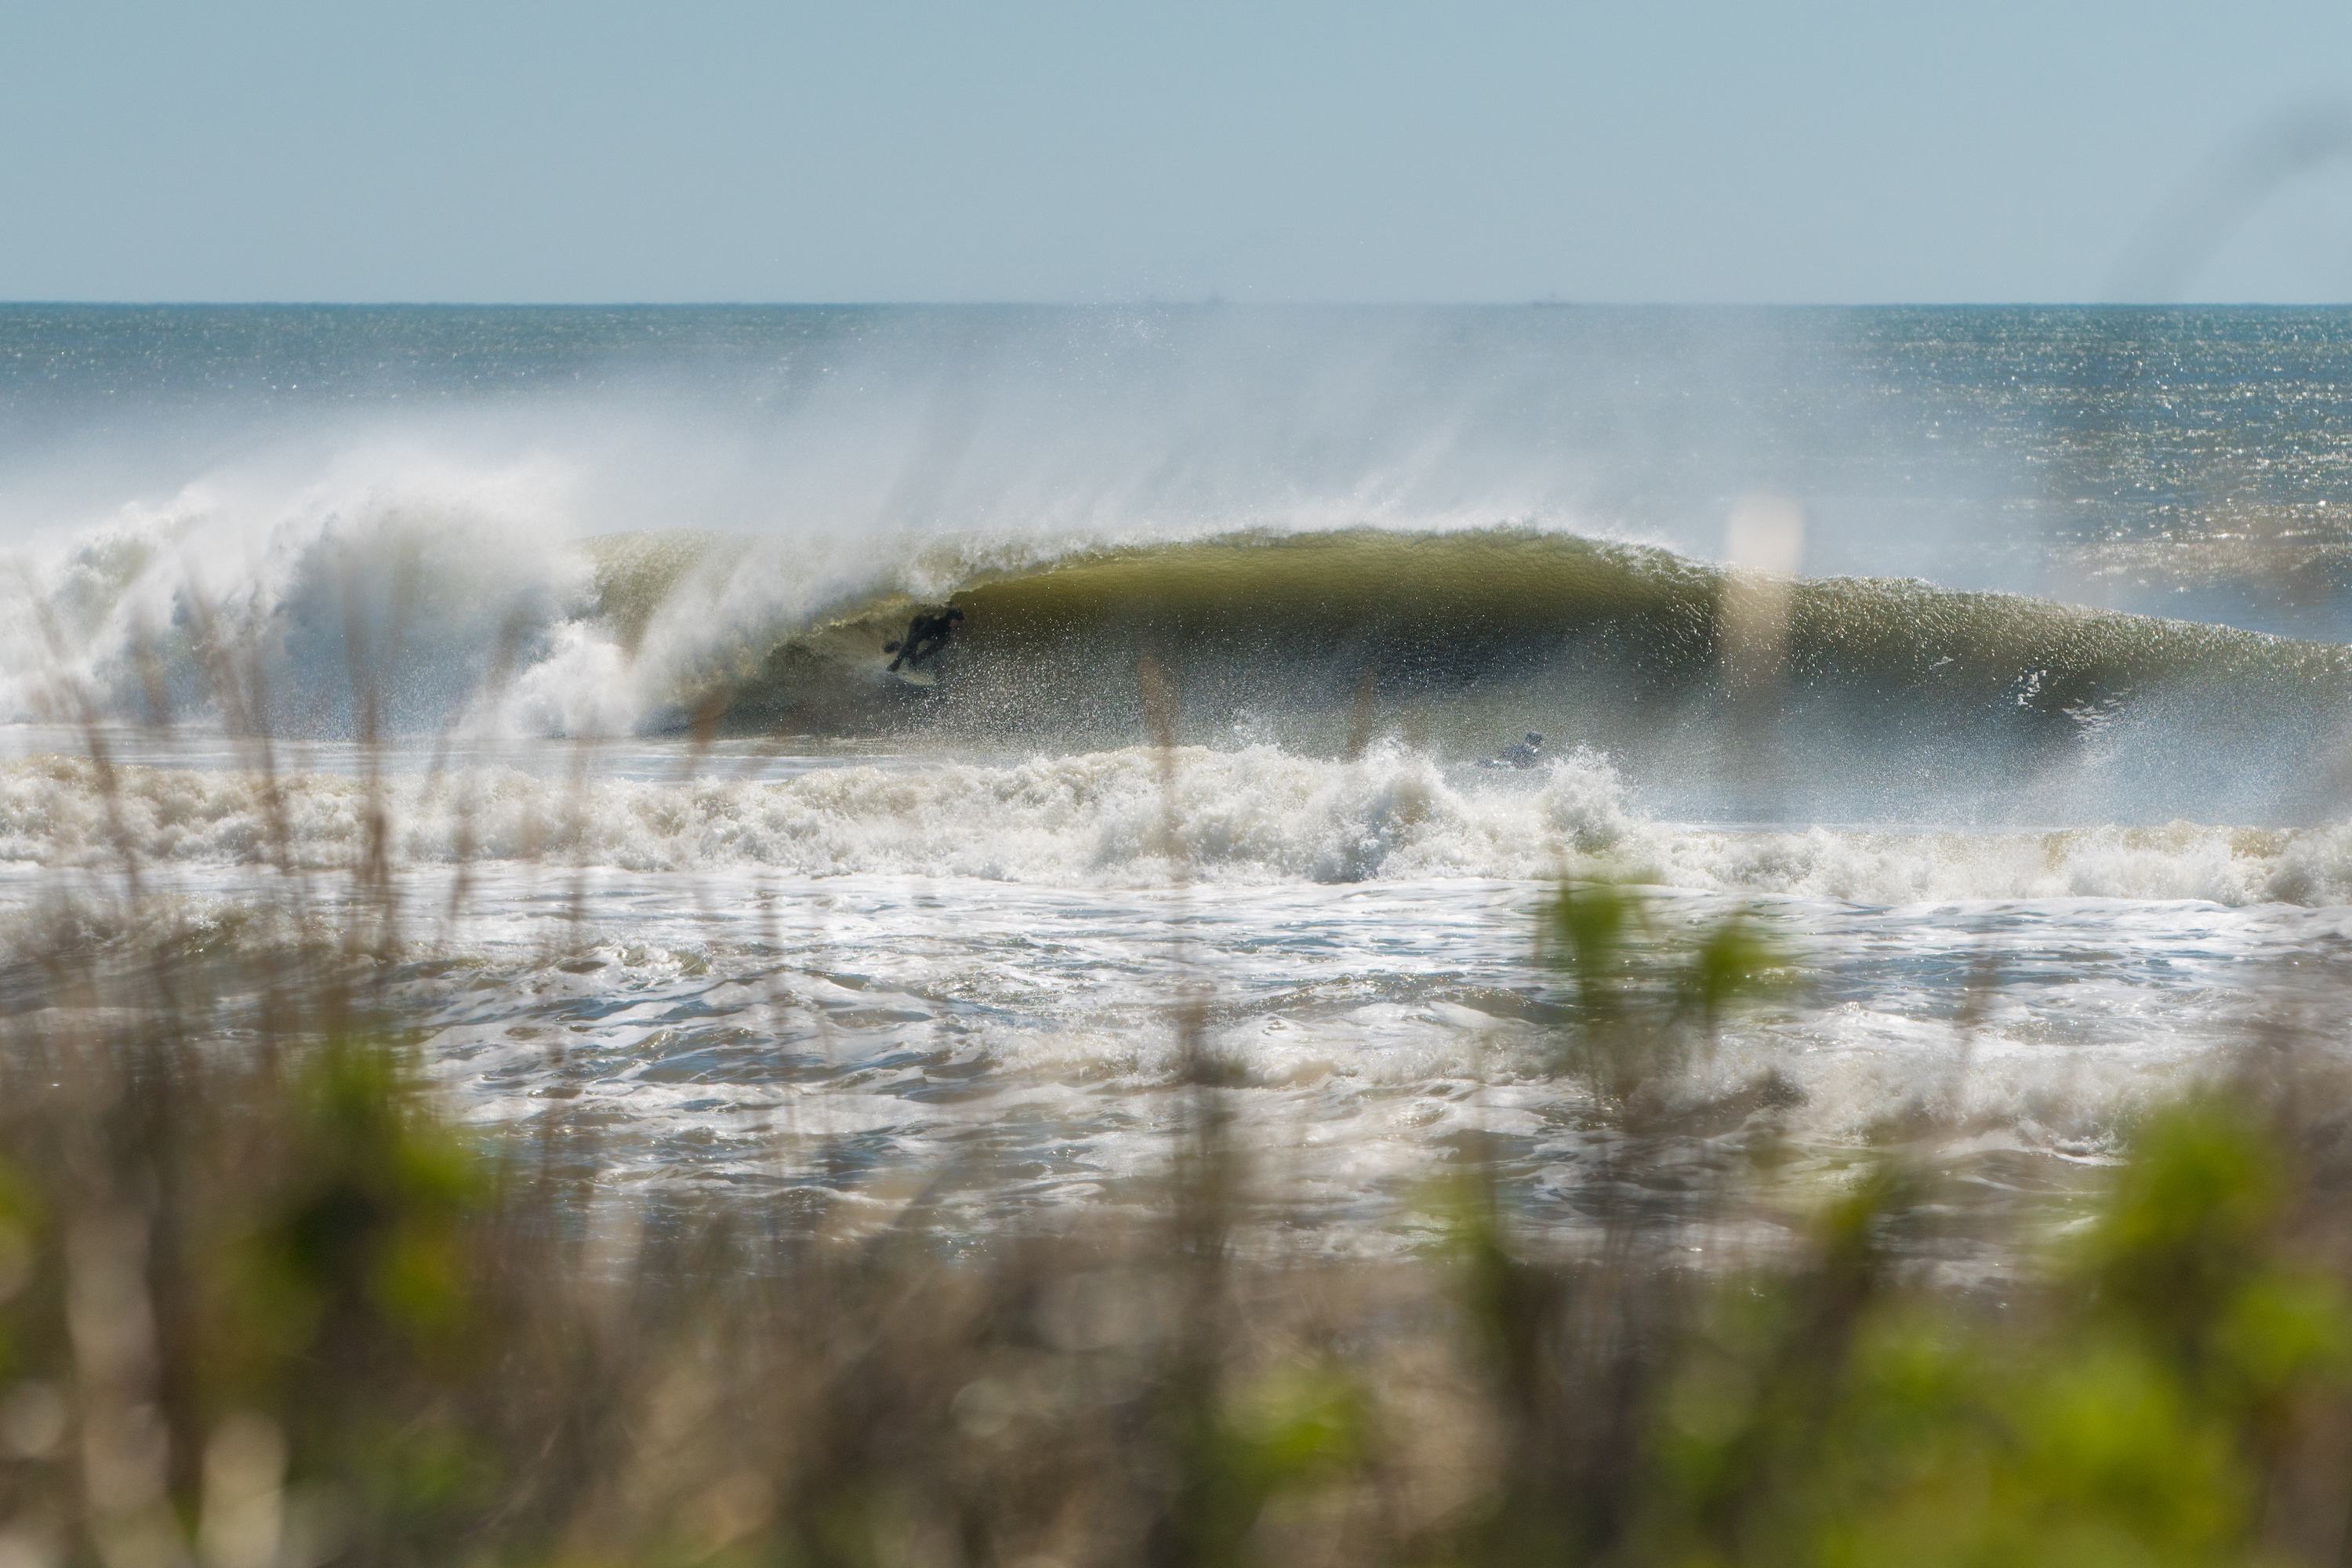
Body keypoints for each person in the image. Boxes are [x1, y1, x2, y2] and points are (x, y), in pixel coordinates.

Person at [885, 605, 963, 672]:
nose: (959, 626)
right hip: (918, 624)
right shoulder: (935, 625)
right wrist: (896, 663)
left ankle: (907, 655)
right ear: (951, 619)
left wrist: (918, 659)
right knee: (911, 650)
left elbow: (931, 650)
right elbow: (913, 641)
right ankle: (895, 645)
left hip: (928, 630)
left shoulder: (946, 635)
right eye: (957, 622)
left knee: (913, 658)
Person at [1479, 731, 1544, 769]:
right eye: (1540, 741)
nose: (1541, 743)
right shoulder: (1535, 751)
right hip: (1513, 768)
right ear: (1537, 742)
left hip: (1505, 765)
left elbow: (1503, 757)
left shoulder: (1516, 747)